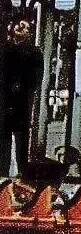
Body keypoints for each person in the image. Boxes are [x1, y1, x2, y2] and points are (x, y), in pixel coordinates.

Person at [1, 19, 43, 177]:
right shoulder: (6, 49)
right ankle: (3, 174)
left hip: (21, 102)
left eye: (25, 27)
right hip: (5, 101)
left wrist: (24, 89)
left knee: (22, 139)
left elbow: (36, 79)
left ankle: (23, 171)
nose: (20, 28)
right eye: (18, 25)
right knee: (3, 138)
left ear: (30, 32)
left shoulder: (34, 52)